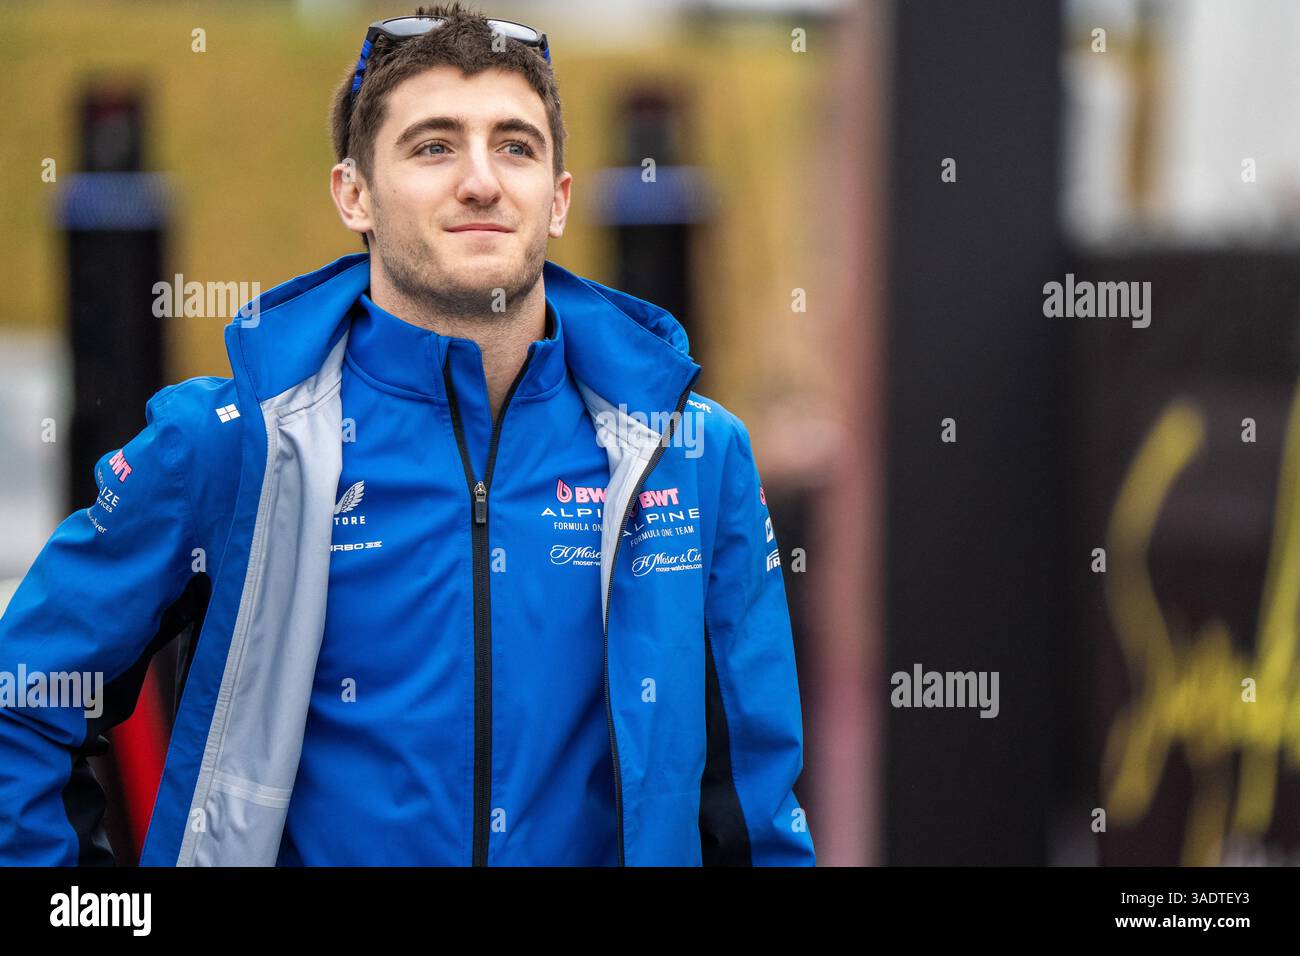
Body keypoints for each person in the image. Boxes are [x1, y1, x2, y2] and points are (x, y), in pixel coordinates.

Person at [0, 2, 815, 867]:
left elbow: (758, 817)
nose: (481, 181)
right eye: (433, 146)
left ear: (560, 199)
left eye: (516, 145)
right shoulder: (229, 443)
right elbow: (24, 699)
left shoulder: (691, 454)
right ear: (353, 192)